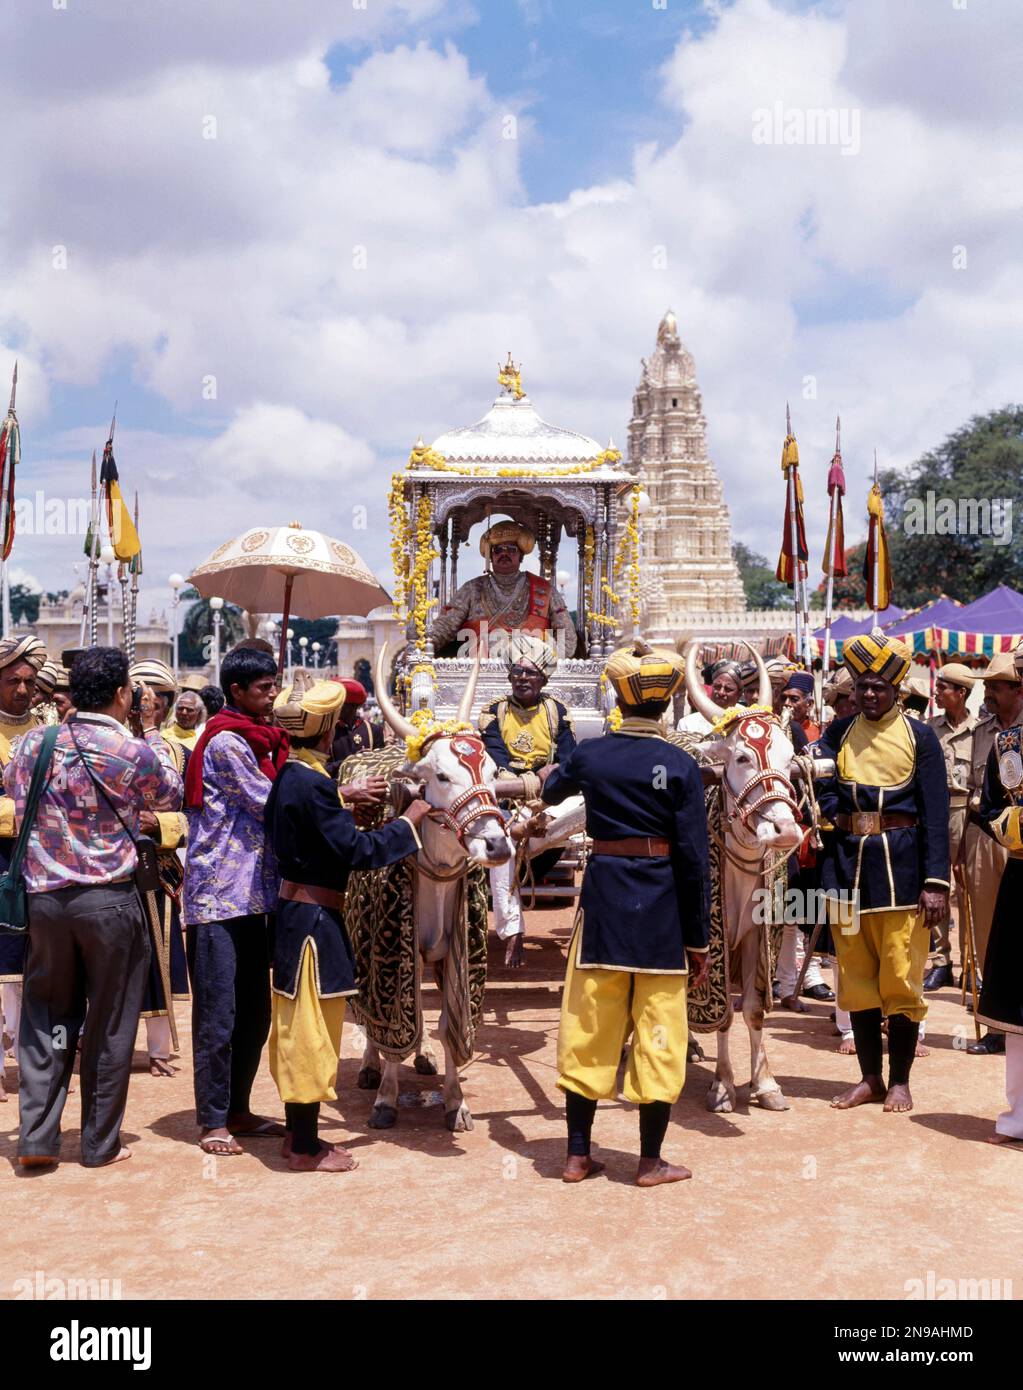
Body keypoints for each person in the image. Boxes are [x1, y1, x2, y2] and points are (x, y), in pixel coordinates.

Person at [540, 640, 711, 1186]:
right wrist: (698, 939)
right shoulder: (681, 764)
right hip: (662, 913)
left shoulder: (592, 754)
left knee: (589, 1026)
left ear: (620, 700)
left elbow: (553, 786)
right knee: (661, 1030)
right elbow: (692, 860)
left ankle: (575, 1155)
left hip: (604, 907)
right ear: (665, 707)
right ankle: (650, 1161)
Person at [7, 647, 182, 1166]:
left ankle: (37, 1138)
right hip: (108, 901)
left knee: (47, 1017)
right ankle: (99, 1144)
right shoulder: (130, 750)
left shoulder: (34, 743)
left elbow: (16, 800)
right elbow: (168, 795)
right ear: (124, 694)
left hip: (45, 902)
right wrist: (148, 729)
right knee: (109, 1021)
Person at [264, 674, 431, 1171]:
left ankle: (302, 1135)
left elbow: (316, 824)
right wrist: (409, 821)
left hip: (299, 915)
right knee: (312, 1034)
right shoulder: (313, 784)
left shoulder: (294, 776)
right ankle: (304, 1146)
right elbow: (358, 851)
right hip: (315, 920)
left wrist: (342, 799)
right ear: (326, 731)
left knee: (302, 1028)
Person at [814, 633, 950, 1114]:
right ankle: (869, 1078)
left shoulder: (922, 737)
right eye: (862, 687)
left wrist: (936, 883)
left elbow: (935, 812)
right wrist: (830, 809)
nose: (869, 695)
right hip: (848, 872)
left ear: (896, 689)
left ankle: (900, 1081)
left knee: (900, 982)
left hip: (903, 876)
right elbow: (820, 783)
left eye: (879, 688)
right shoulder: (837, 734)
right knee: (855, 982)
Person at [183, 645, 288, 1156]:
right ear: (237, 692)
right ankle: (212, 1120)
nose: (272, 695)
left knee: (254, 1013)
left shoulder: (262, 740)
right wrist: (338, 800)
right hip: (218, 897)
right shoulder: (227, 742)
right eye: (263, 688)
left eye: (274, 684)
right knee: (218, 1015)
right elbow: (269, 802)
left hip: (254, 896)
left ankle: (239, 1109)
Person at [478, 633, 576, 967]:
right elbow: (494, 759)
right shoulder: (492, 712)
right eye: (517, 672)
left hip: (550, 803)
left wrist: (557, 771)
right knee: (504, 840)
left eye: (530, 672)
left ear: (543, 678)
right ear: (508, 677)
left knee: (588, 809)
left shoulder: (556, 710)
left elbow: (570, 756)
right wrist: (528, 783)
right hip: (507, 797)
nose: (522, 678)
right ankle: (514, 931)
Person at [129, 659, 191, 1077]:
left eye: (154, 701)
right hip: (109, 866)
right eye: (139, 698)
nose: (145, 706)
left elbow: (187, 815)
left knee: (156, 955)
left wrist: (160, 823)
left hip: (157, 865)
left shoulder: (173, 751)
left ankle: (156, 1048)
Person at [960, 652, 1023, 1055]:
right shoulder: (995, 736)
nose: (988, 694)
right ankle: (1001, 1022)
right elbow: (984, 801)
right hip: (993, 838)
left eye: (996, 687)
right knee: (992, 930)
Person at [973, 640, 1023, 1145]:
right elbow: (987, 808)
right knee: (1020, 1008)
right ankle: (1020, 1116)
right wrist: (1012, 827)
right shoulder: (1007, 745)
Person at [0, 634, 47, 1101]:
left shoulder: (45, 731)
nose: (22, 689)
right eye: (13, 680)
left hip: (40, 860)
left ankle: (39, 1061)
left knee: (39, 965)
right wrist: (21, 812)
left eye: (28, 681)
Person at [428, 519, 578, 659]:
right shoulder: (472, 589)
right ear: (490, 555)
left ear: (521, 555)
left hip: (531, 676)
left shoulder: (545, 590)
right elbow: (445, 626)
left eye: (511, 549)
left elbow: (567, 637)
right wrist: (423, 649)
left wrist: (547, 664)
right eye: (498, 550)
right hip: (478, 673)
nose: (504, 554)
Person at [923, 663, 978, 991]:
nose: (937, 692)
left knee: (969, 889)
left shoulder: (981, 731)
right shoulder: (930, 729)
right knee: (936, 884)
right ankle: (941, 962)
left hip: (967, 815)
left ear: (962, 693)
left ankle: (970, 963)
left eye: (944, 687)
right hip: (935, 814)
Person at [325, 679, 384, 776]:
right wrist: (352, 761)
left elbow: (382, 766)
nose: (336, 709)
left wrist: (371, 759)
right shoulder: (328, 732)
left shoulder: (374, 730)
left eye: (341, 705)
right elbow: (322, 768)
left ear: (353, 707)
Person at [676, 658, 745, 735]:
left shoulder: (748, 722)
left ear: (739, 694)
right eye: (717, 686)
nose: (721, 692)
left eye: (728, 689)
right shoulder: (688, 724)